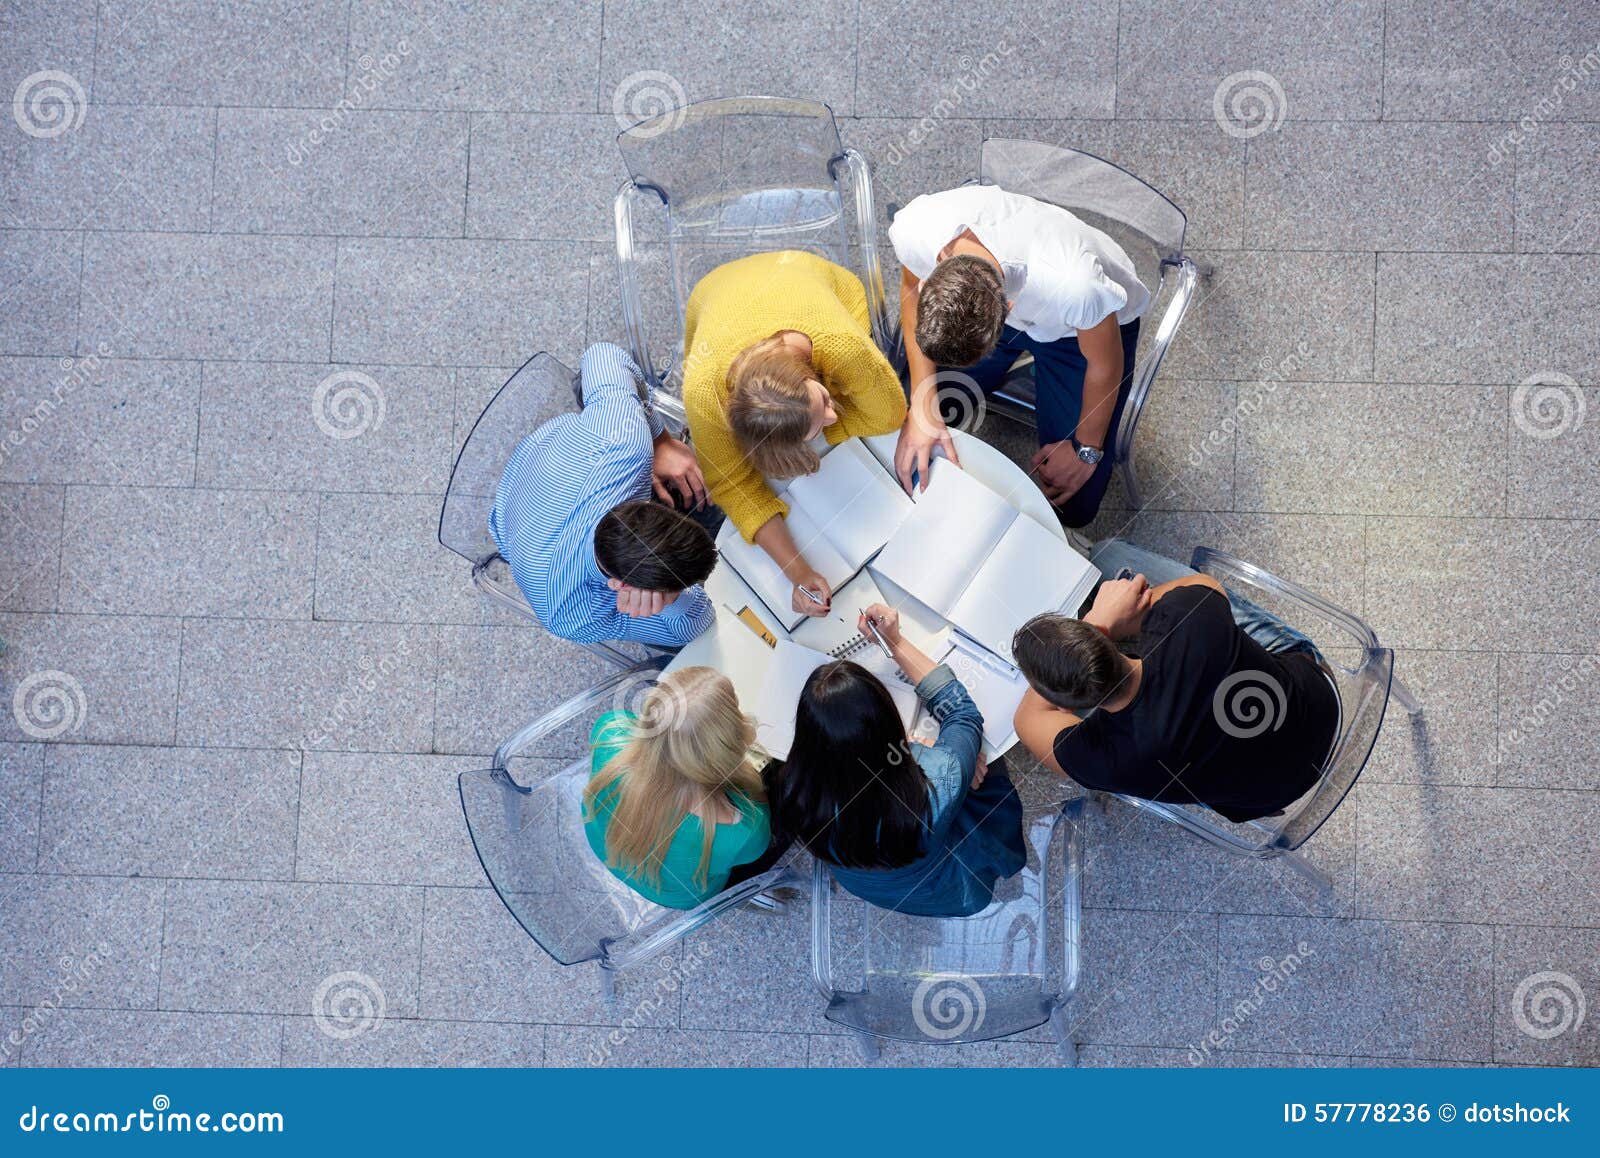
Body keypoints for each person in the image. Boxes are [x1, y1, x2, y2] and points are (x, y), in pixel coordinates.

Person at [1010, 539, 1340, 822]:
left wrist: (1064, 668)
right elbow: (1209, 587)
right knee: (1108, 555)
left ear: (1070, 708)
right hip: (1322, 706)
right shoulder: (1189, 623)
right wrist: (1100, 621)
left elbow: (1027, 719)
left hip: (1267, 795)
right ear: (1102, 640)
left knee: (1108, 557)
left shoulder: (1103, 758)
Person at [888, 183, 1149, 526]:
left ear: (1008, 309)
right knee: (901, 411)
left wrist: (1086, 452)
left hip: (1076, 333)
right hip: (996, 311)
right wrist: (923, 405)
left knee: (1075, 504)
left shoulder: (1076, 286)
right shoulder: (916, 228)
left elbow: (1104, 366)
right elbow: (910, 289)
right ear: (930, 279)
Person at [682, 250, 907, 620]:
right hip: (717, 300)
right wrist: (798, 573)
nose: (836, 415)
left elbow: (889, 413)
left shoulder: (840, 345)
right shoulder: (702, 392)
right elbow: (731, 485)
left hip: (805, 276)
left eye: (823, 400)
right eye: (823, 422)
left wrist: (825, 431)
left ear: (809, 375)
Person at [766, 602, 1027, 917]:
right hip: (955, 887)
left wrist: (927, 756)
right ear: (888, 721)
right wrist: (896, 642)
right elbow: (962, 715)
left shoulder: (791, 790)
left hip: (873, 888)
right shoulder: (935, 783)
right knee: (986, 759)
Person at [491, 342, 717, 648]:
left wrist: (658, 439)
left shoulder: (624, 445)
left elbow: (602, 353)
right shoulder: (569, 613)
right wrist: (673, 600)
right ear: (622, 587)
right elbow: (695, 630)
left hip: (546, 460)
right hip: (513, 522)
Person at [584, 666, 774, 909]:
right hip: (682, 896)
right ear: (724, 746)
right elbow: (757, 819)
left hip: (609, 849)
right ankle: (744, 896)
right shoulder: (743, 828)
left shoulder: (610, 728)